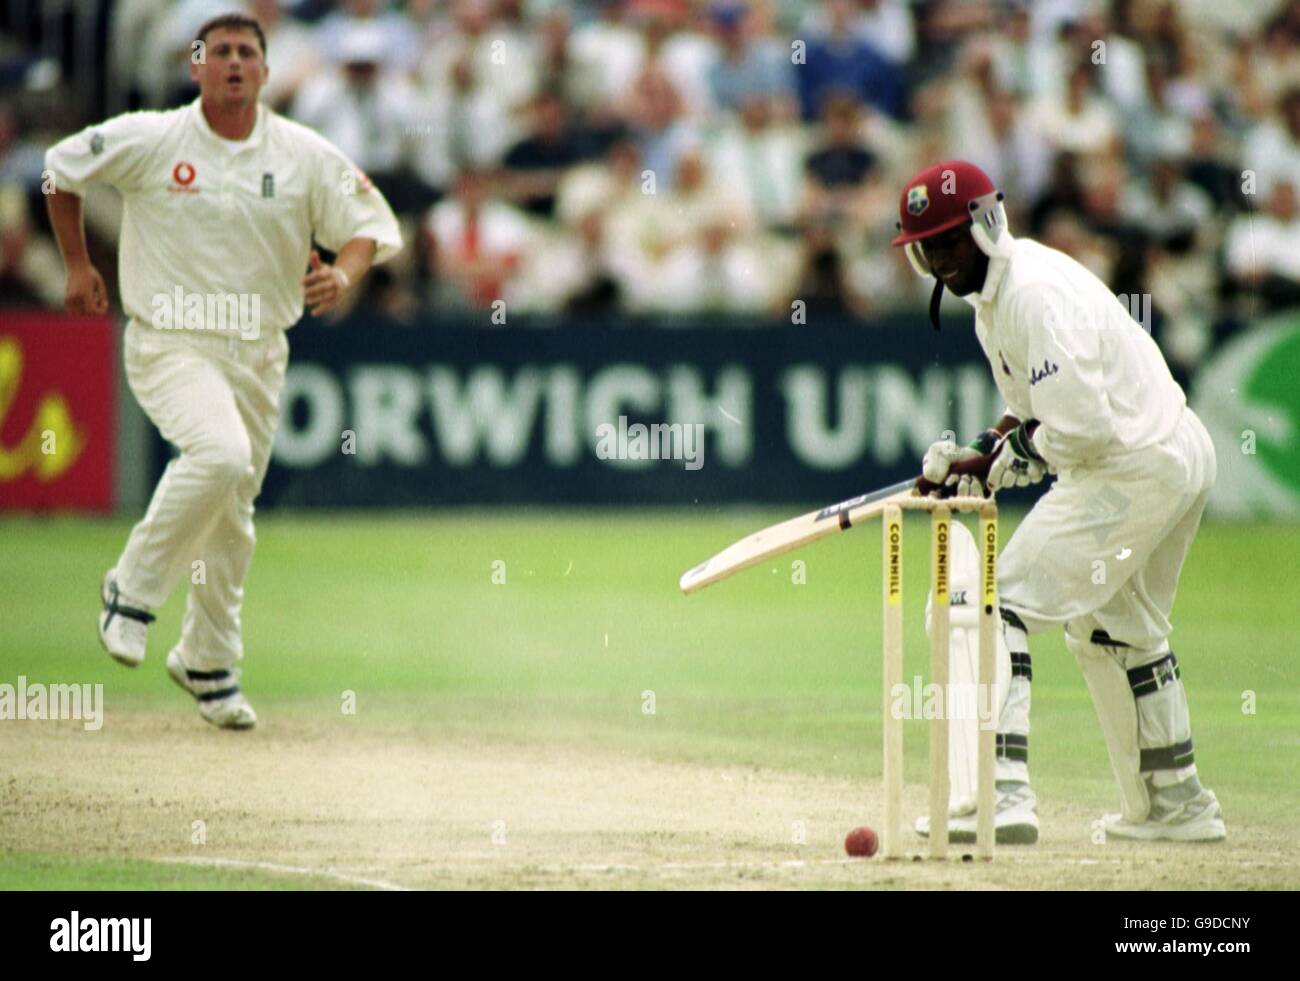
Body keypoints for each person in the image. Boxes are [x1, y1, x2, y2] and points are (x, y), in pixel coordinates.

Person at [45, 13, 402, 729]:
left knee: (232, 514)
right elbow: (60, 168)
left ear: (265, 72)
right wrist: (78, 265)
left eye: (247, 53)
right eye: (221, 52)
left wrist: (343, 274)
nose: (234, 62)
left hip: (260, 350)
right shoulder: (154, 138)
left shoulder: (301, 152)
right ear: (196, 66)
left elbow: (369, 224)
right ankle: (130, 590)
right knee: (220, 454)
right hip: (171, 340)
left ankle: (208, 661)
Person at [894, 160, 1224, 843]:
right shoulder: (998, 300)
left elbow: (1082, 429)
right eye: (927, 249)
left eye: (949, 241)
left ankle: (999, 794)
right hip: (1165, 452)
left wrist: (1002, 463)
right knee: (1117, 630)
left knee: (983, 602)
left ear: (986, 226)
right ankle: (1176, 804)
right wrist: (979, 454)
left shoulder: (1032, 294)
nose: (941, 261)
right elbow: (1032, 417)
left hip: (1129, 465)